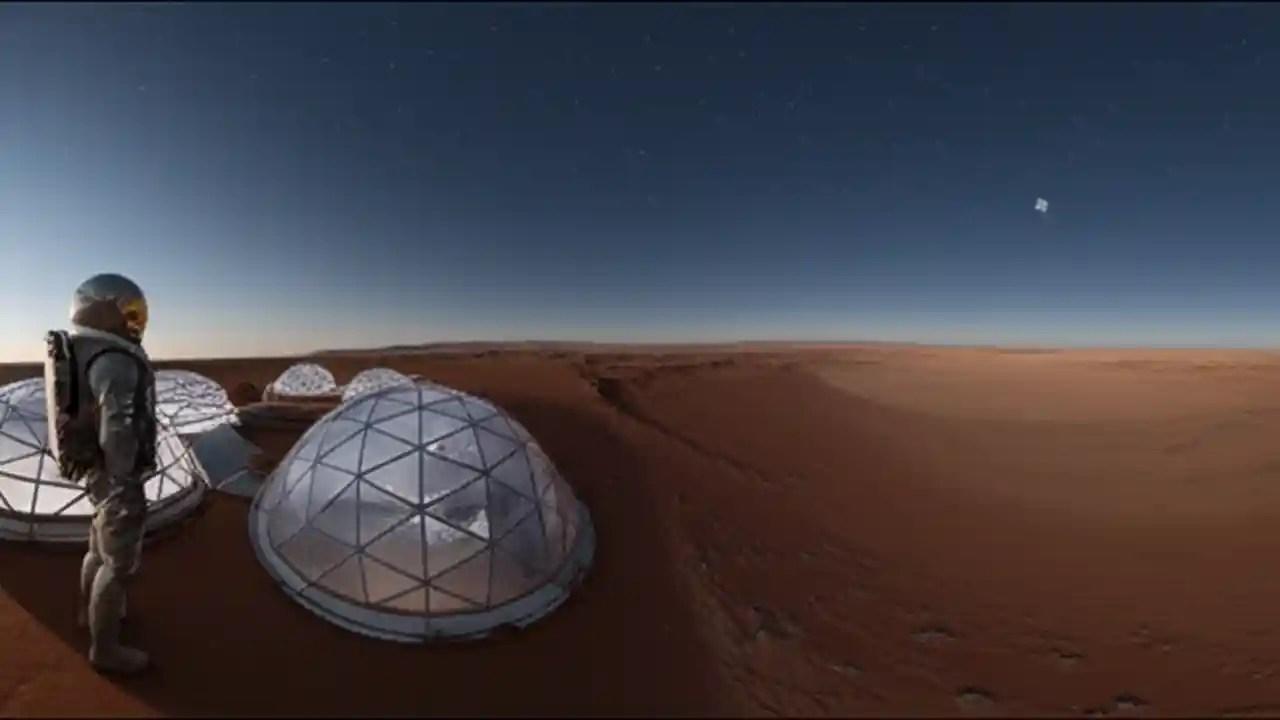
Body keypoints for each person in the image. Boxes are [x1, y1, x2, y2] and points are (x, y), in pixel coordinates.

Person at [64, 273, 158, 675]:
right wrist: (125, 484)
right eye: (128, 314)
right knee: (118, 565)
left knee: (97, 550)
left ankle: (90, 615)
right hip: (117, 475)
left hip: (97, 471)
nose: (135, 323)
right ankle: (105, 650)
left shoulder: (84, 351)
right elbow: (117, 427)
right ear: (103, 311)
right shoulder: (115, 359)